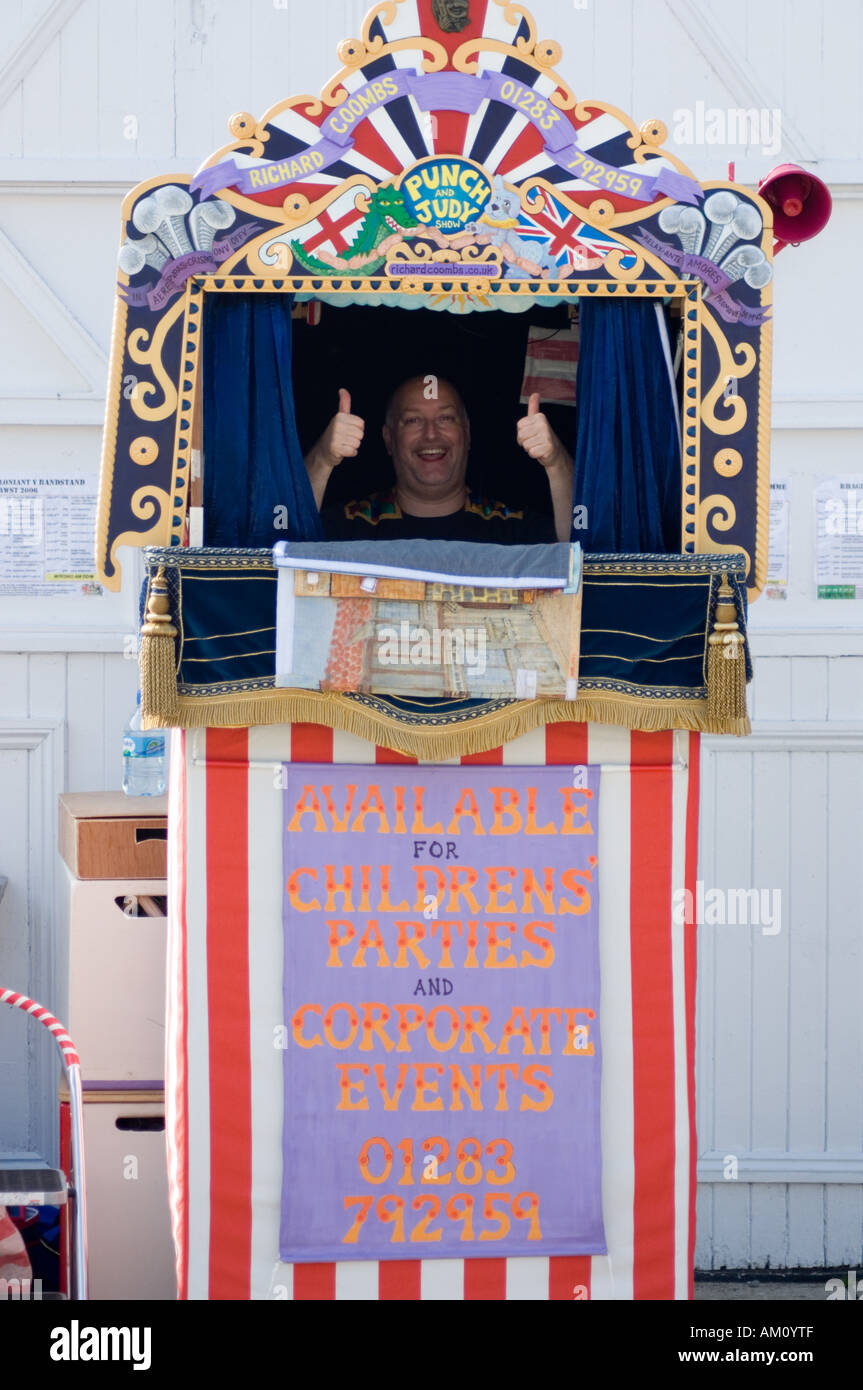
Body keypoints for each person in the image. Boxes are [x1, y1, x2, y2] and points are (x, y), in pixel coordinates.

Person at [303, 375, 574, 543]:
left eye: (445, 418)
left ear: (466, 433)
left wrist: (556, 462)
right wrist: (323, 459)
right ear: (388, 439)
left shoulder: (511, 529)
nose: (431, 435)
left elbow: (579, 556)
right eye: (412, 420)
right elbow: (280, 550)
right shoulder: (349, 527)